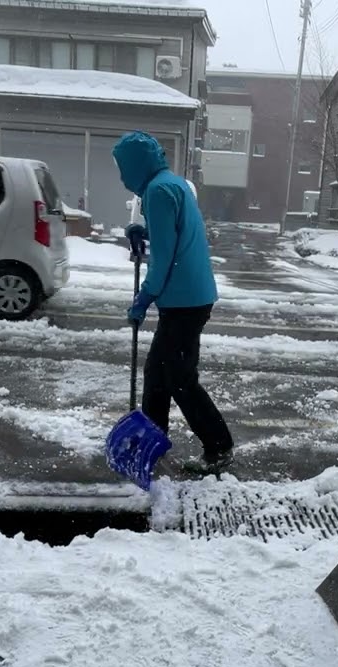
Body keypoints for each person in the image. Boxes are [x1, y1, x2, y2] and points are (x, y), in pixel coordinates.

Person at [112, 130, 234, 475]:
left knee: (179, 377)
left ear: (136, 165)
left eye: (123, 168)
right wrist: (145, 232)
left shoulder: (157, 191)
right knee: (158, 373)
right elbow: (173, 235)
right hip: (190, 295)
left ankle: (219, 447)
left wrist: (143, 298)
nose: (121, 177)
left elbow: (164, 259)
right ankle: (153, 442)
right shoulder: (171, 184)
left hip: (184, 299)